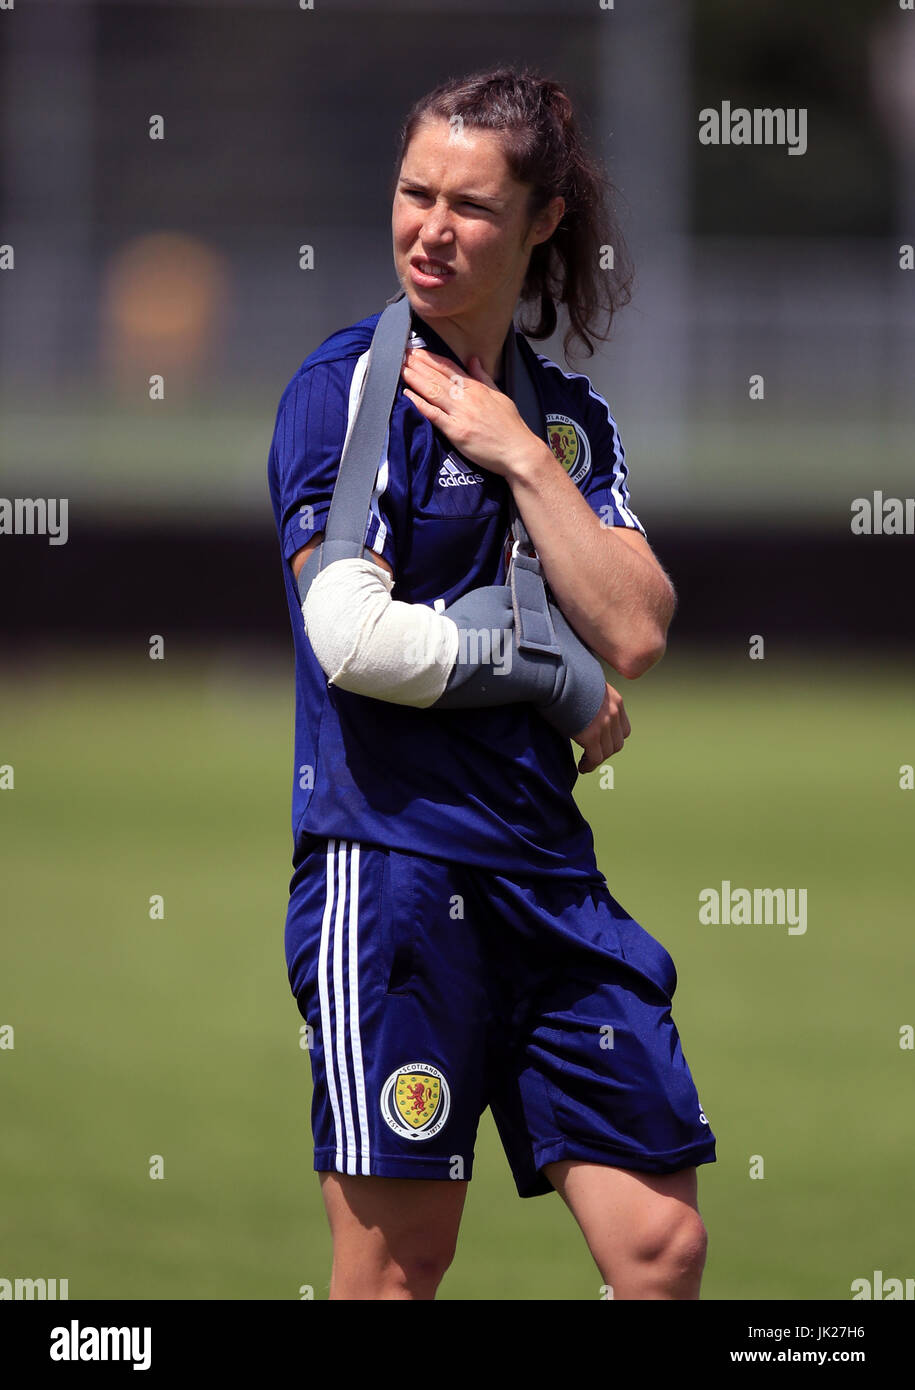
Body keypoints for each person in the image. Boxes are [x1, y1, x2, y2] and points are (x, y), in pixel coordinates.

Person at [267, 65, 716, 1301]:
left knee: (662, 1247)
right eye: (416, 193)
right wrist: (551, 678)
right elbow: (352, 638)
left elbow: (634, 628)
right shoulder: (347, 389)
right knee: (401, 1266)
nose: (432, 228)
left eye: (470, 205)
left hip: (552, 880)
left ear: (542, 221)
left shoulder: (569, 423)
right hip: (395, 868)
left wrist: (518, 452)